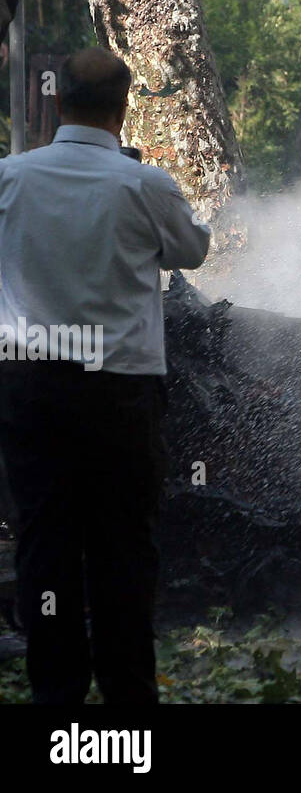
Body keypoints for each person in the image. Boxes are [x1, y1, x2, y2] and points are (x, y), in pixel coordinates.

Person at [0, 48, 211, 704]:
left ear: (56, 102)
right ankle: (128, 703)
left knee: (44, 542)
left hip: (29, 386)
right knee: (123, 547)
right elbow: (193, 249)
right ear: (123, 109)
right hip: (119, 391)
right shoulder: (142, 186)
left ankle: (56, 696)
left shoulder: (10, 178)